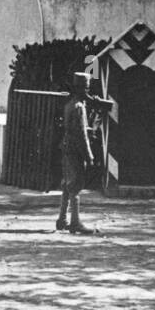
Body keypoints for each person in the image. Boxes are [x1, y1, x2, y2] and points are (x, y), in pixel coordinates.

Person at [56, 72, 96, 234]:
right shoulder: (79, 108)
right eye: (86, 88)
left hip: (66, 147)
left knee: (67, 184)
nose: (87, 91)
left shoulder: (69, 105)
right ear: (80, 89)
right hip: (75, 149)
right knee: (76, 185)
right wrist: (89, 156)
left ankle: (62, 219)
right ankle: (75, 222)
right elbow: (82, 134)